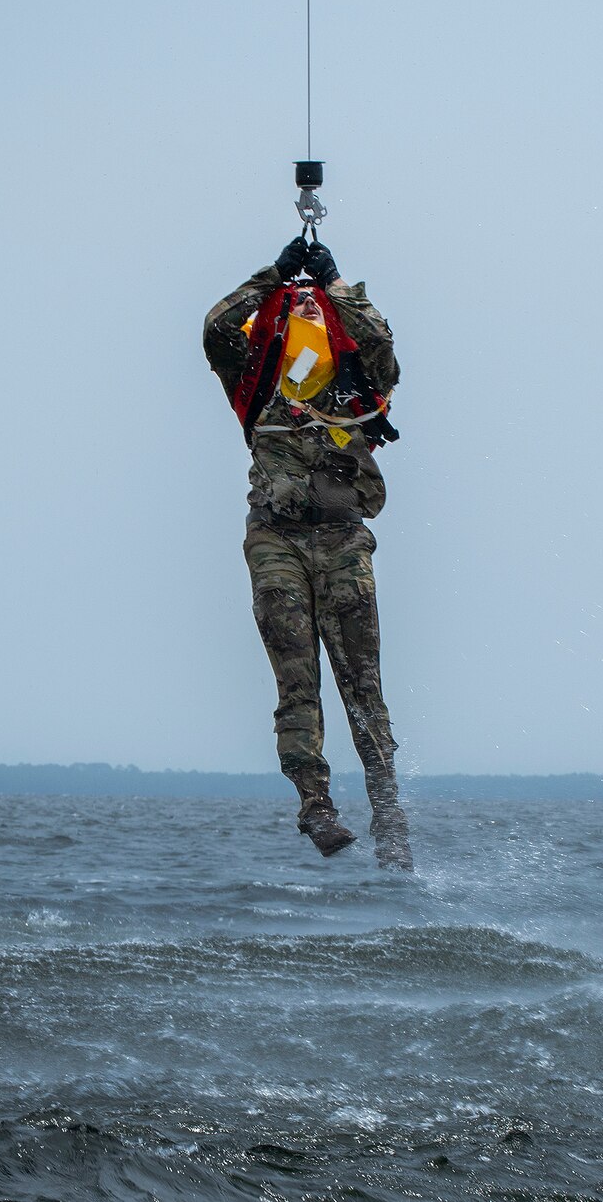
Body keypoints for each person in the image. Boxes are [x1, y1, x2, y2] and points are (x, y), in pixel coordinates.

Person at [202, 233, 411, 869]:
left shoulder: (358, 384)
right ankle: (315, 806)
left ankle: (388, 810)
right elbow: (216, 329)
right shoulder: (257, 379)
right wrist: (274, 275)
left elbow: (382, 347)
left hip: (344, 538)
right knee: (296, 676)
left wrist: (338, 285)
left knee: (362, 682)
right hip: (277, 538)